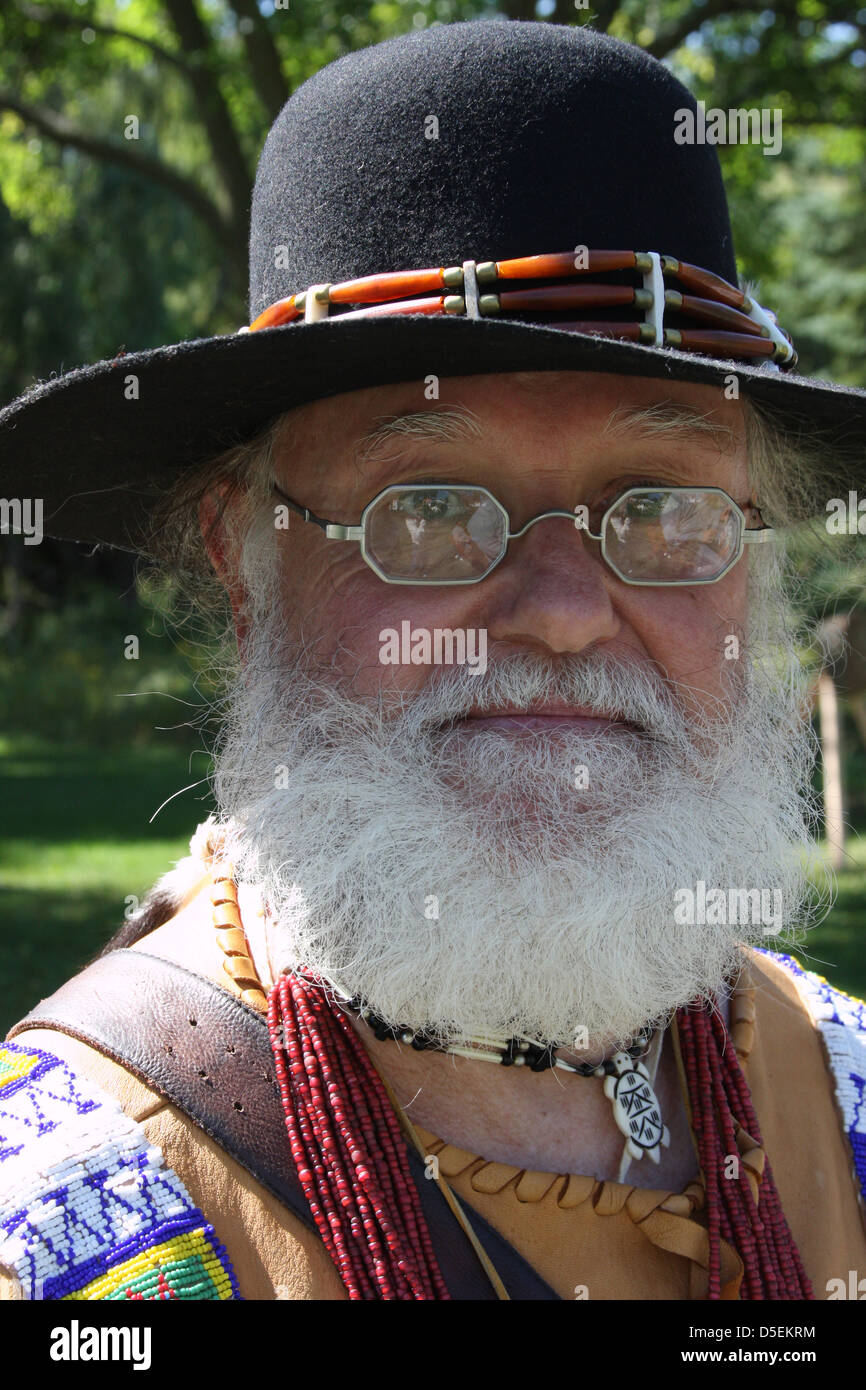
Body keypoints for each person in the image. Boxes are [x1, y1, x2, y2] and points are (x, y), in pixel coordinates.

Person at [2, 19, 866, 1303]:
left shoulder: (837, 1084)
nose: (565, 612)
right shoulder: (62, 1219)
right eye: (428, 504)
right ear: (243, 563)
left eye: (662, 506)